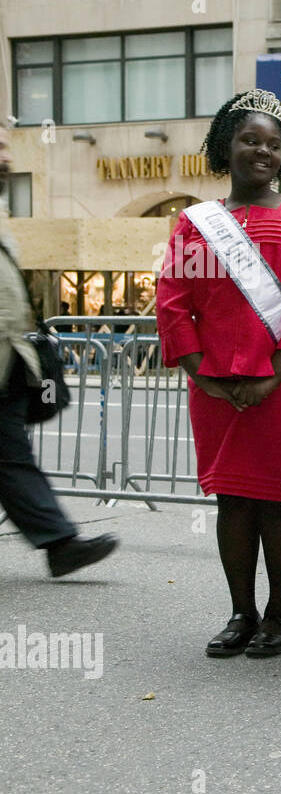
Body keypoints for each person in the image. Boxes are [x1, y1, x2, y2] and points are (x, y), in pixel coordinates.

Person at [157, 90, 281, 657]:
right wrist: (198, 372)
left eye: (274, 144)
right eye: (250, 140)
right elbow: (172, 299)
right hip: (212, 387)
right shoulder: (196, 223)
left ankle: (280, 616)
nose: (263, 151)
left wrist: (276, 374)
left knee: (280, 499)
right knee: (231, 500)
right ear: (224, 147)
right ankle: (241, 612)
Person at [0, 122, 118, 578]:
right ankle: (59, 542)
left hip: (9, 362)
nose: (7, 156)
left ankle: (59, 542)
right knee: (10, 460)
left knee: (11, 459)